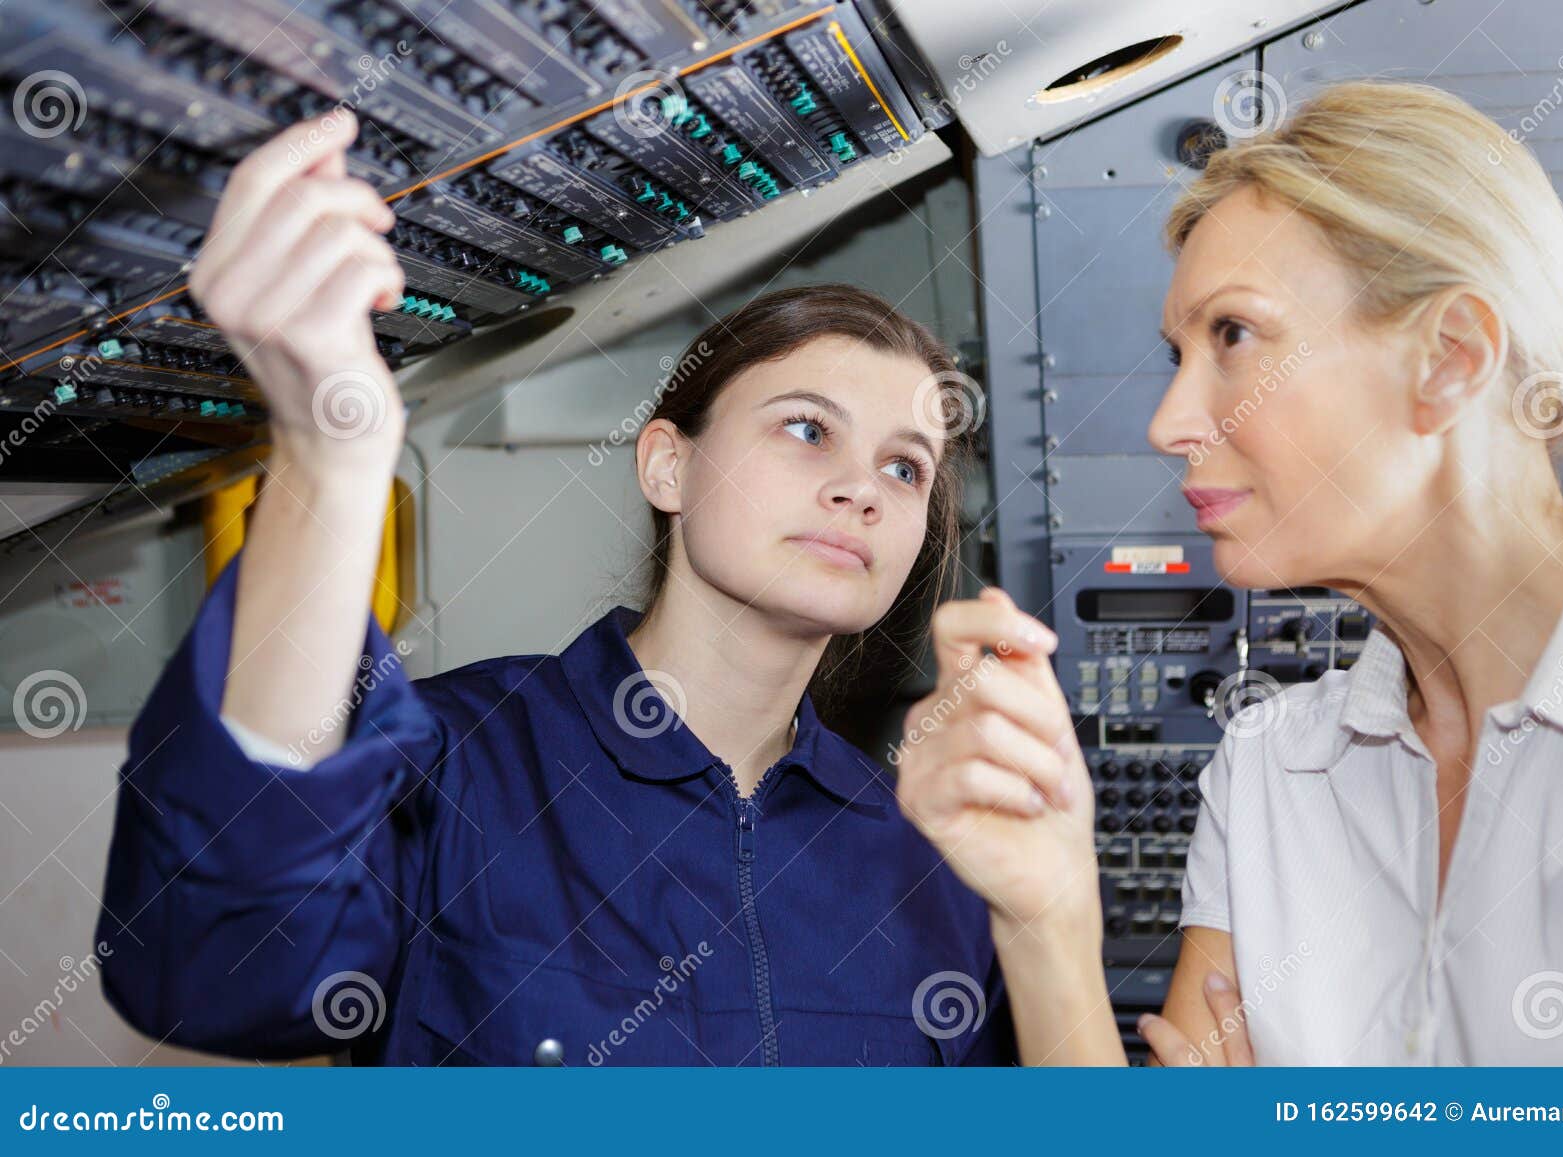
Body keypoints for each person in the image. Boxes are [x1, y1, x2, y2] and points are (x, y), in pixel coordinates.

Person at [93, 109, 1039, 1066]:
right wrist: (328, 453)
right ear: (667, 465)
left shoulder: (932, 853)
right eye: (807, 429)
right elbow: (208, 971)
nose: (861, 489)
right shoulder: (456, 764)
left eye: (906, 468)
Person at [896, 79, 1563, 1066]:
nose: (1168, 423)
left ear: (1449, 357)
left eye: (1232, 334)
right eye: (1177, 354)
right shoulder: (1272, 763)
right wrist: (1046, 914)